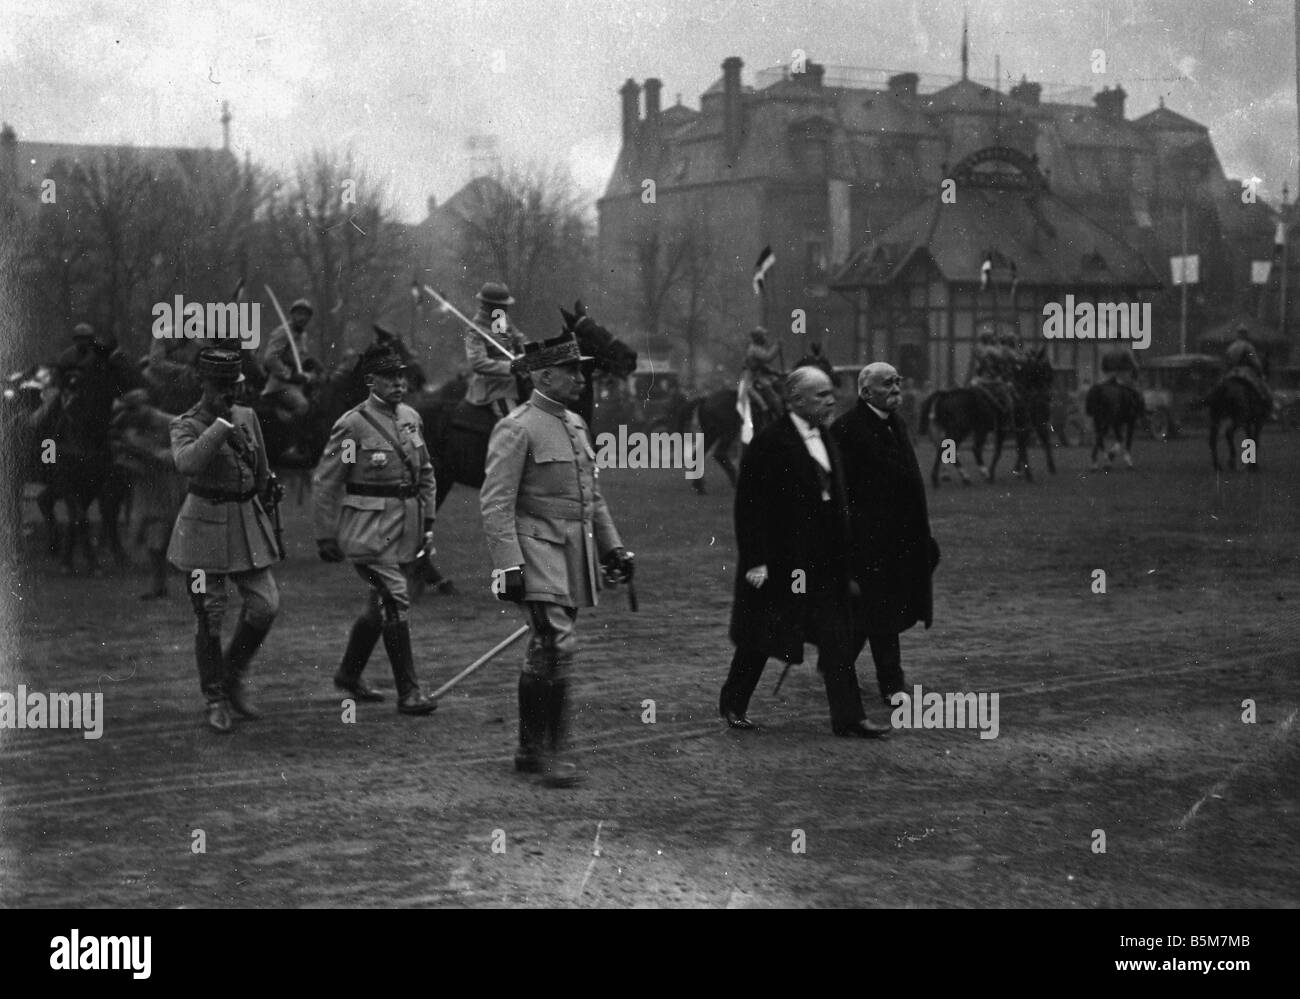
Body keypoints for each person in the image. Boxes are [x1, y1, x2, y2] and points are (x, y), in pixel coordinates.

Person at [481, 330, 633, 787]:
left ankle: (530, 749)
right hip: (536, 551)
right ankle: (554, 753)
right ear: (544, 376)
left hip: (573, 554)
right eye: (571, 371)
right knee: (559, 646)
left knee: (544, 649)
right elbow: (496, 502)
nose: (581, 380)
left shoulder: (576, 424)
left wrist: (613, 547)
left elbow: (592, 497)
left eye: (582, 371)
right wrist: (508, 565)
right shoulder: (517, 427)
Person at [719, 366, 890, 739]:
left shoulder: (826, 437)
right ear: (795, 400)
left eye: (831, 393)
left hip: (825, 561)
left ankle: (849, 718)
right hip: (782, 560)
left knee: (837, 636)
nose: (831, 400)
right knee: (761, 636)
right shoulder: (768, 443)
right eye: (821, 395)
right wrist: (756, 561)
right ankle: (733, 701)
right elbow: (749, 510)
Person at [313, 343, 439, 716]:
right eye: (389, 377)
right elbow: (328, 481)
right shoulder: (353, 425)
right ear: (371, 381)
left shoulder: (411, 418)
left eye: (401, 377)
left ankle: (349, 674)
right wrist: (325, 534)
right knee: (396, 598)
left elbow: (425, 473)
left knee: (378, 604)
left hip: (406, 527)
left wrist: (428, 521)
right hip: (367, 530)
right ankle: (409, 693)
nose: (399, 383)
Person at [168, 348, 282, 733]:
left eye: (234, 385)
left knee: (265, 605)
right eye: (221, 386)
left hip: (245, 524)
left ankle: (232, 677)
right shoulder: (185, 424)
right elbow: (187, 463)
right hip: (202, 530)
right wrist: (219, 425)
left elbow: (261, 469)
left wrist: (265, 497)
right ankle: (215, 697)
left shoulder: (247, 416)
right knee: (210, 613)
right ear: (202, 384)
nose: (230, 393)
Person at [829, 362, 940, 708]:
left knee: (874, 613)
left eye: (897, 382)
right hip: (865, 542)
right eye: (887, 384)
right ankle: (890, 684)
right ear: (866, 392)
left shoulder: (896, 422)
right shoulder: (846, 429)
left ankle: (836, 665)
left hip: (899, 539)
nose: (896, 389)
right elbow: (838, 491)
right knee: (879, 613)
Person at [111, 388, 184, 599]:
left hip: (168, 485)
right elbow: (124, 456)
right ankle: (158, 585)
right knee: (151, 537)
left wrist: (157, 455)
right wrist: (127, 454)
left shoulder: (171, 423)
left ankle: (166, 585)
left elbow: (183, 452)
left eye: (135, 409)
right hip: (145, 486)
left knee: (162, 534)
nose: (132, 414)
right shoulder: (130, 427)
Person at [464, 282, 527, 418]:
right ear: (488, 305)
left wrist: (528, 350)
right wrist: (511, 366)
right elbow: (478, 362)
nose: (505, 309)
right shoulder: (475, 330)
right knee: (511, 421)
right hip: (494, 388)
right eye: (501, 306)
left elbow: (518, 338)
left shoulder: (500, 318)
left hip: (515, 380)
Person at [260, 297, 316, 420]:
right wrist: (289, 375)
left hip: (296, 383)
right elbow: (270, 358)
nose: (302, 318)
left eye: (306, 315)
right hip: (280, 385)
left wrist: (310, 370)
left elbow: (301, 358)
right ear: (292, 315)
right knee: (302, 405)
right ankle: (287, 426)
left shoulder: (303, 335)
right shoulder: (282, 332)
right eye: (299, 314)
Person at [1224, 325, 1273, 411]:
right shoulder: (1248, 346)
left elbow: (1227, 362)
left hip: (1231, 372)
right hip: (1245, 371)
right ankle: (1267, 405)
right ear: (1246, 335)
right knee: (1262, 389)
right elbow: (1255, 361)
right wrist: (1261, 372)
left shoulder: (1231, 347)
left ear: (1237, 335)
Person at [743, 327, 783, 414]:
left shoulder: (757, 348)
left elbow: (763, 366)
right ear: (759, 337)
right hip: (753, 377)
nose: (766, 338)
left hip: (758, 375)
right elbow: (767, 358)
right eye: (764, 336)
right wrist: (776, 346)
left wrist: (776, 372)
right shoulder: (754, 349)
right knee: (772, 394)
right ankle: (777, 413)